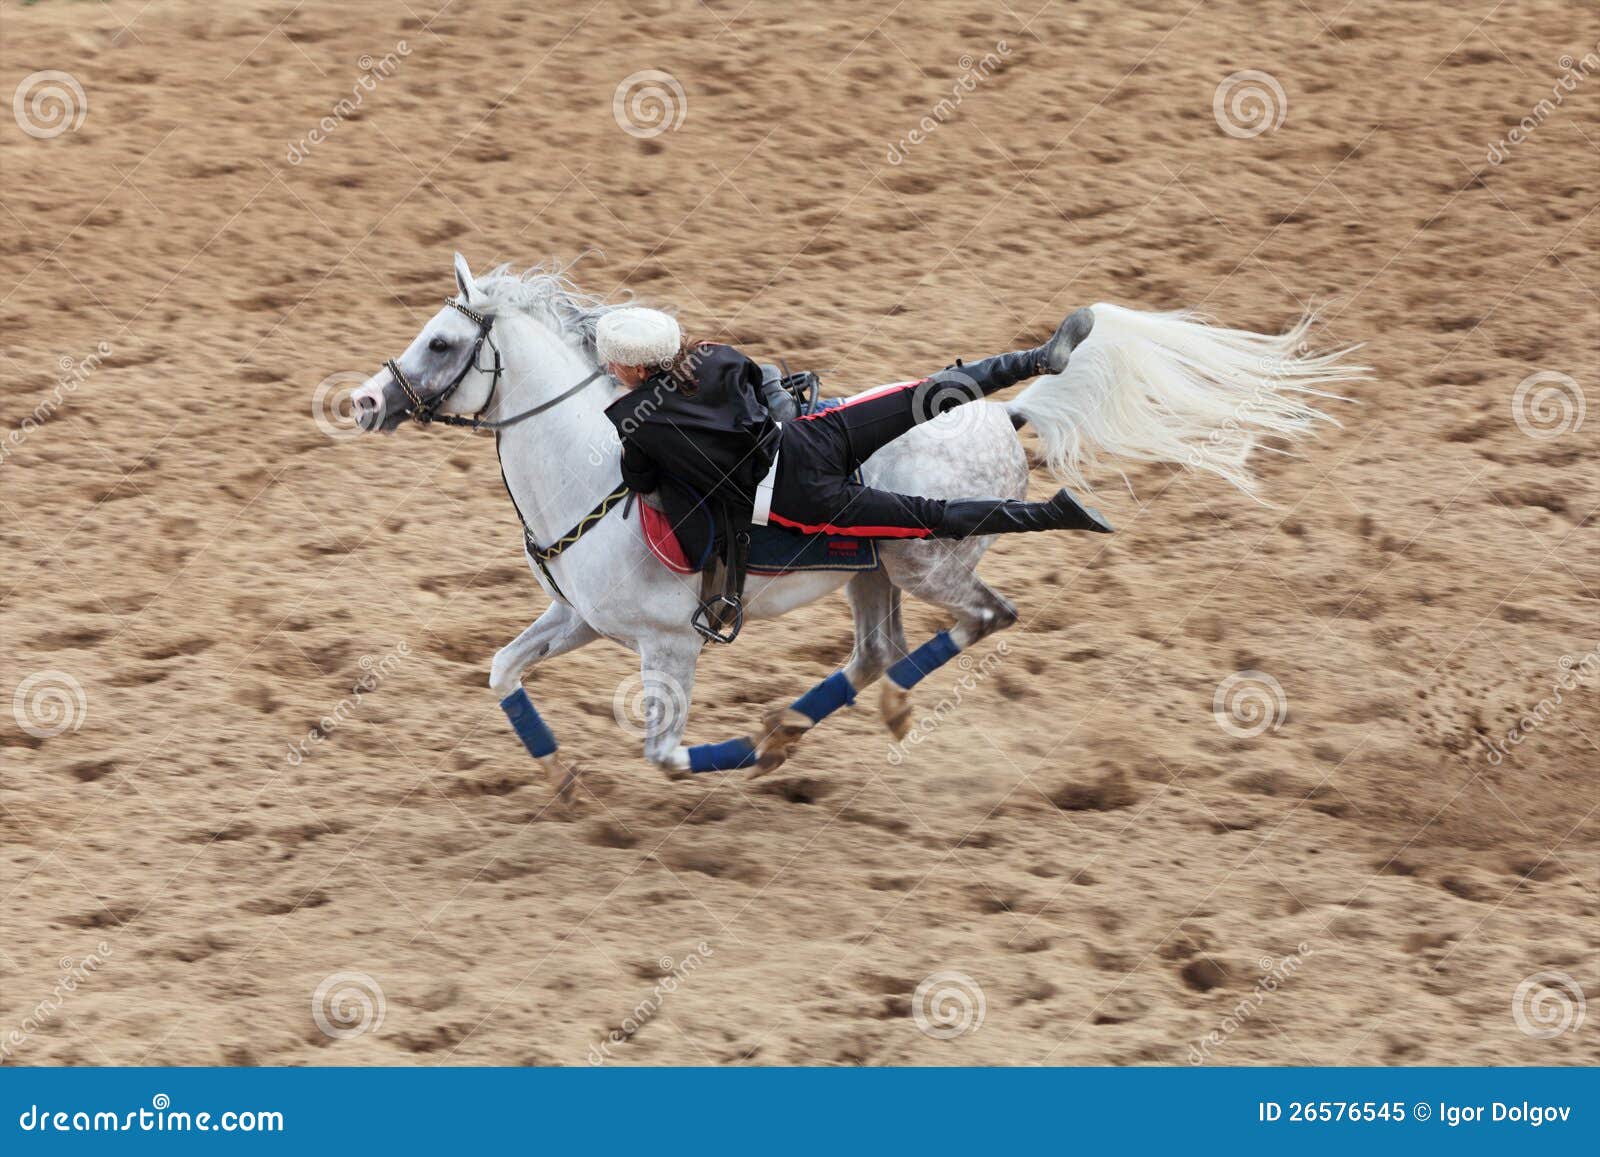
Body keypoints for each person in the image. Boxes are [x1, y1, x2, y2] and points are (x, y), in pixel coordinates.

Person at [600, 307, 1111, 561]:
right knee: (924, 395)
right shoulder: (714, 354)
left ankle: (1050, 514)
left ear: (631, 368)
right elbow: (763, 388)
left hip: (796, 497)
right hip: (811, 437)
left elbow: (643, 484)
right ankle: (1037, 359)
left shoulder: (635, 421)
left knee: (924, 517)